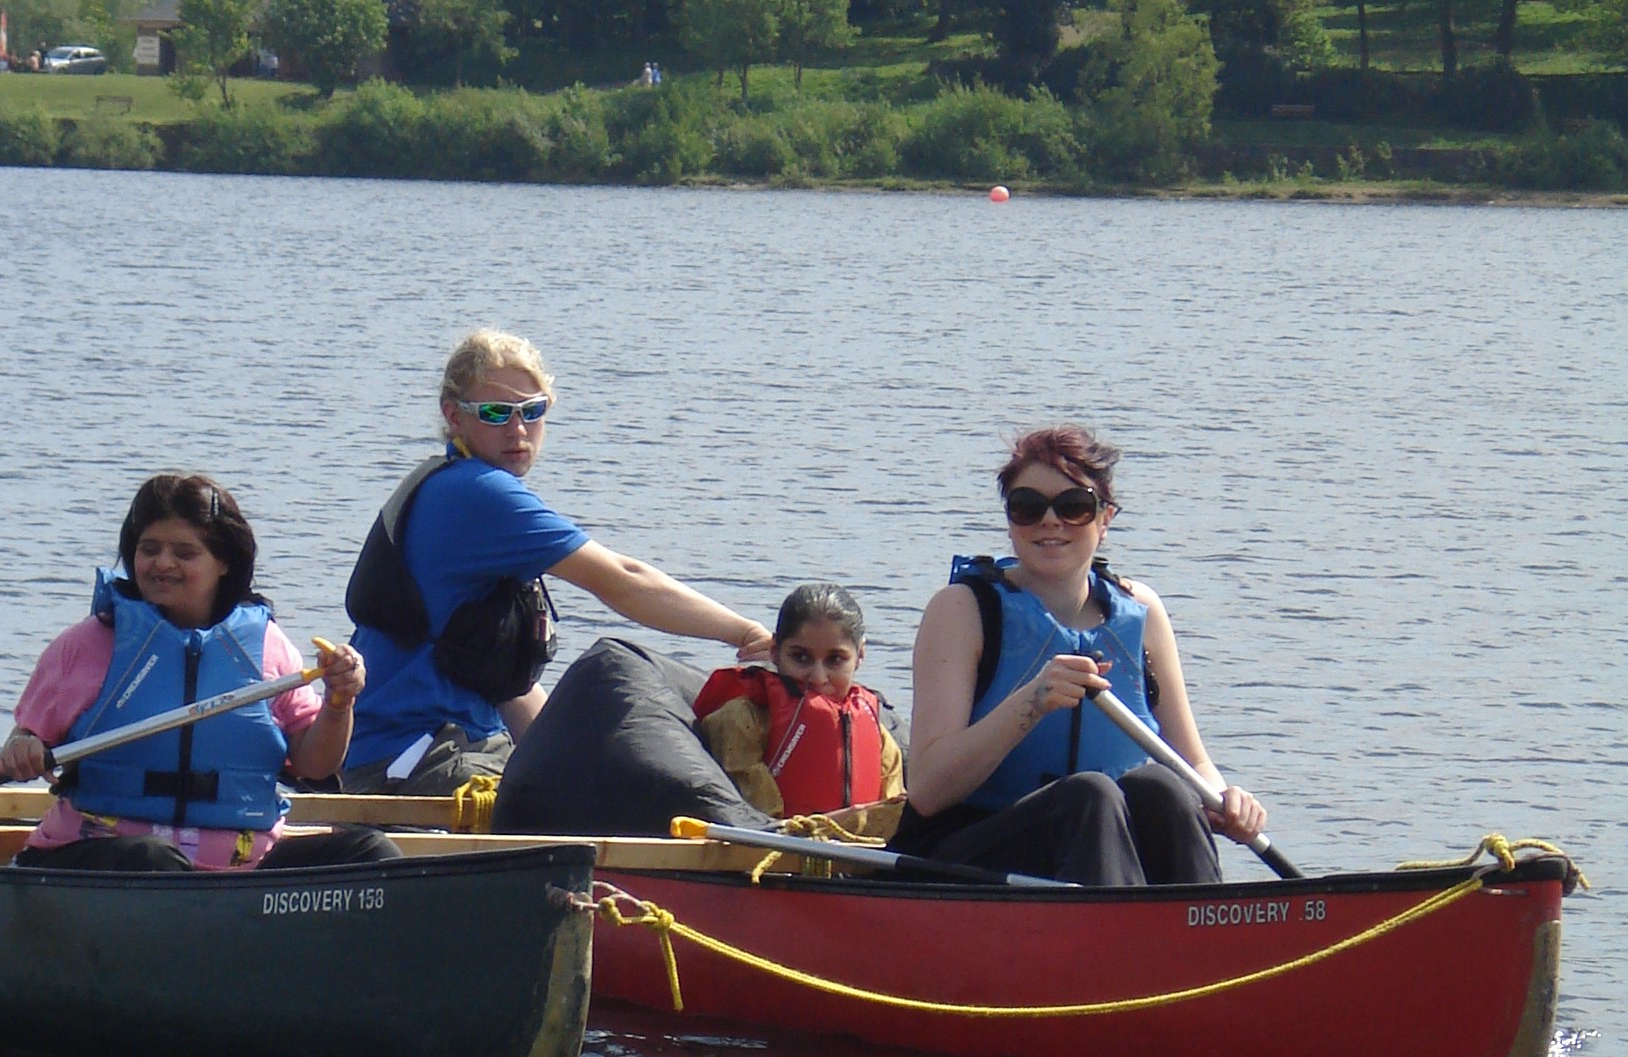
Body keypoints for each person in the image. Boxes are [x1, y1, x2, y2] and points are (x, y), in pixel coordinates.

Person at [342, 329, 773, 794]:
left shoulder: (456, 487)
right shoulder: (477, 494)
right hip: (412, 757)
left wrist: (568, 768)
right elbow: (622, 580)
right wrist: (747, 634)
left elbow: (506, 682)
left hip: (437, 747)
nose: (518, 430)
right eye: (496, 413)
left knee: (602, 783)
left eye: (532, 411)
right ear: (454, 416)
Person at [892, 426, 1268, 886]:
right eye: (1028, 507)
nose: (1050, 522)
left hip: (1099, 853)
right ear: (1010, 521)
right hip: (965, 859)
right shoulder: (961, 610)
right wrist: (1033, 703)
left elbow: (1192, 763)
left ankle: (1208, 935)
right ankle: (1117, 944)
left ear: (1104, 519)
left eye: (1073, 507)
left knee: (1163, 789)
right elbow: (928, 791)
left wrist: (1229, 799)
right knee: (1089, 796)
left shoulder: (1143, 612)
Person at [0, 473, 399, 872]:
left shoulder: (266, 646)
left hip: (239, 869)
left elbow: (316, 765)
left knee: (372, 852)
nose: (162, 563)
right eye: (148, 549)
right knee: (157, 861)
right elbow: (24, 738)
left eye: (184, 553)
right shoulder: (88, 644)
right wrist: (22, 747)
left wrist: (339, 701)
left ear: (223, 562)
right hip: (104, 858)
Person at [694, 583, 904, 820]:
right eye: (801, 658)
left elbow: (892, 816)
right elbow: (760, 821)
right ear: (774, 651)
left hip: (860, 850)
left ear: (859, 656)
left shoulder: (880, 737)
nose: (818, 677)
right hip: (772, 849)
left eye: (835, 660)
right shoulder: (740, 719)